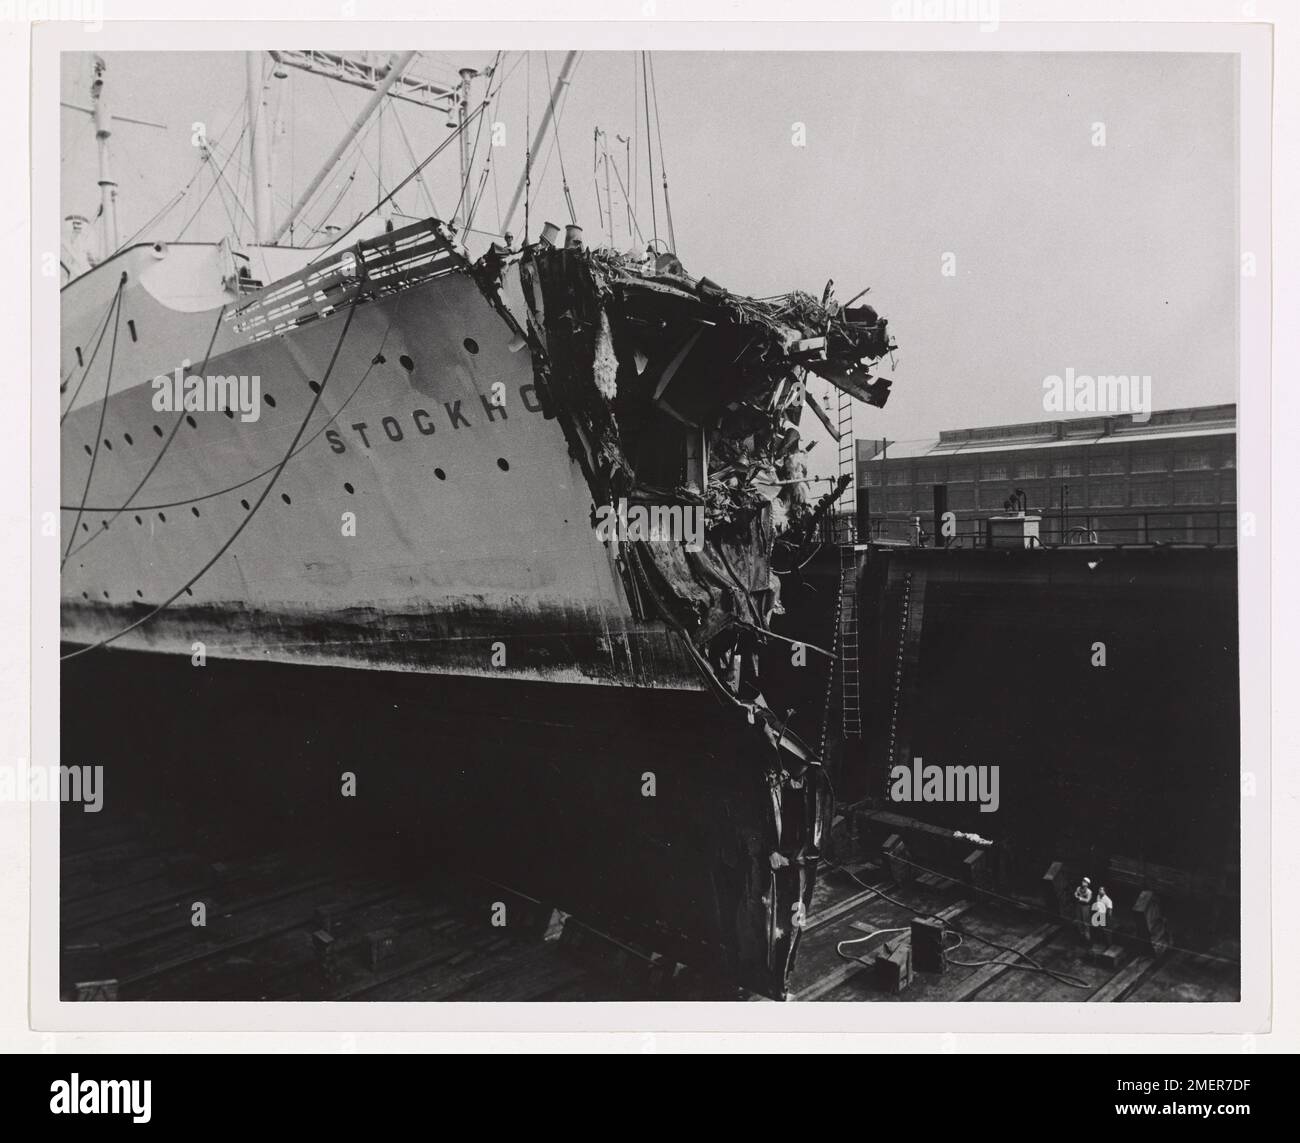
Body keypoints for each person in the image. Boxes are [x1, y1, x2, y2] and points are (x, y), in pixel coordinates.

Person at [1073, 877, 1093, 941]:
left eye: (1085, 882)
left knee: (1085, 922)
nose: (1083, 882)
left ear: (1087, 884)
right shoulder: (1078, 888)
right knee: (1079, 920)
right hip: (1079, 906)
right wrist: (1076, 895)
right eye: (1083, 881)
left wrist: (1080, 898)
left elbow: (1087, 900)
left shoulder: (1089, 892)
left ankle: (1087, 938)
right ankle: (1081, 935)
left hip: (1085, 907)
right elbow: (1076, 893)